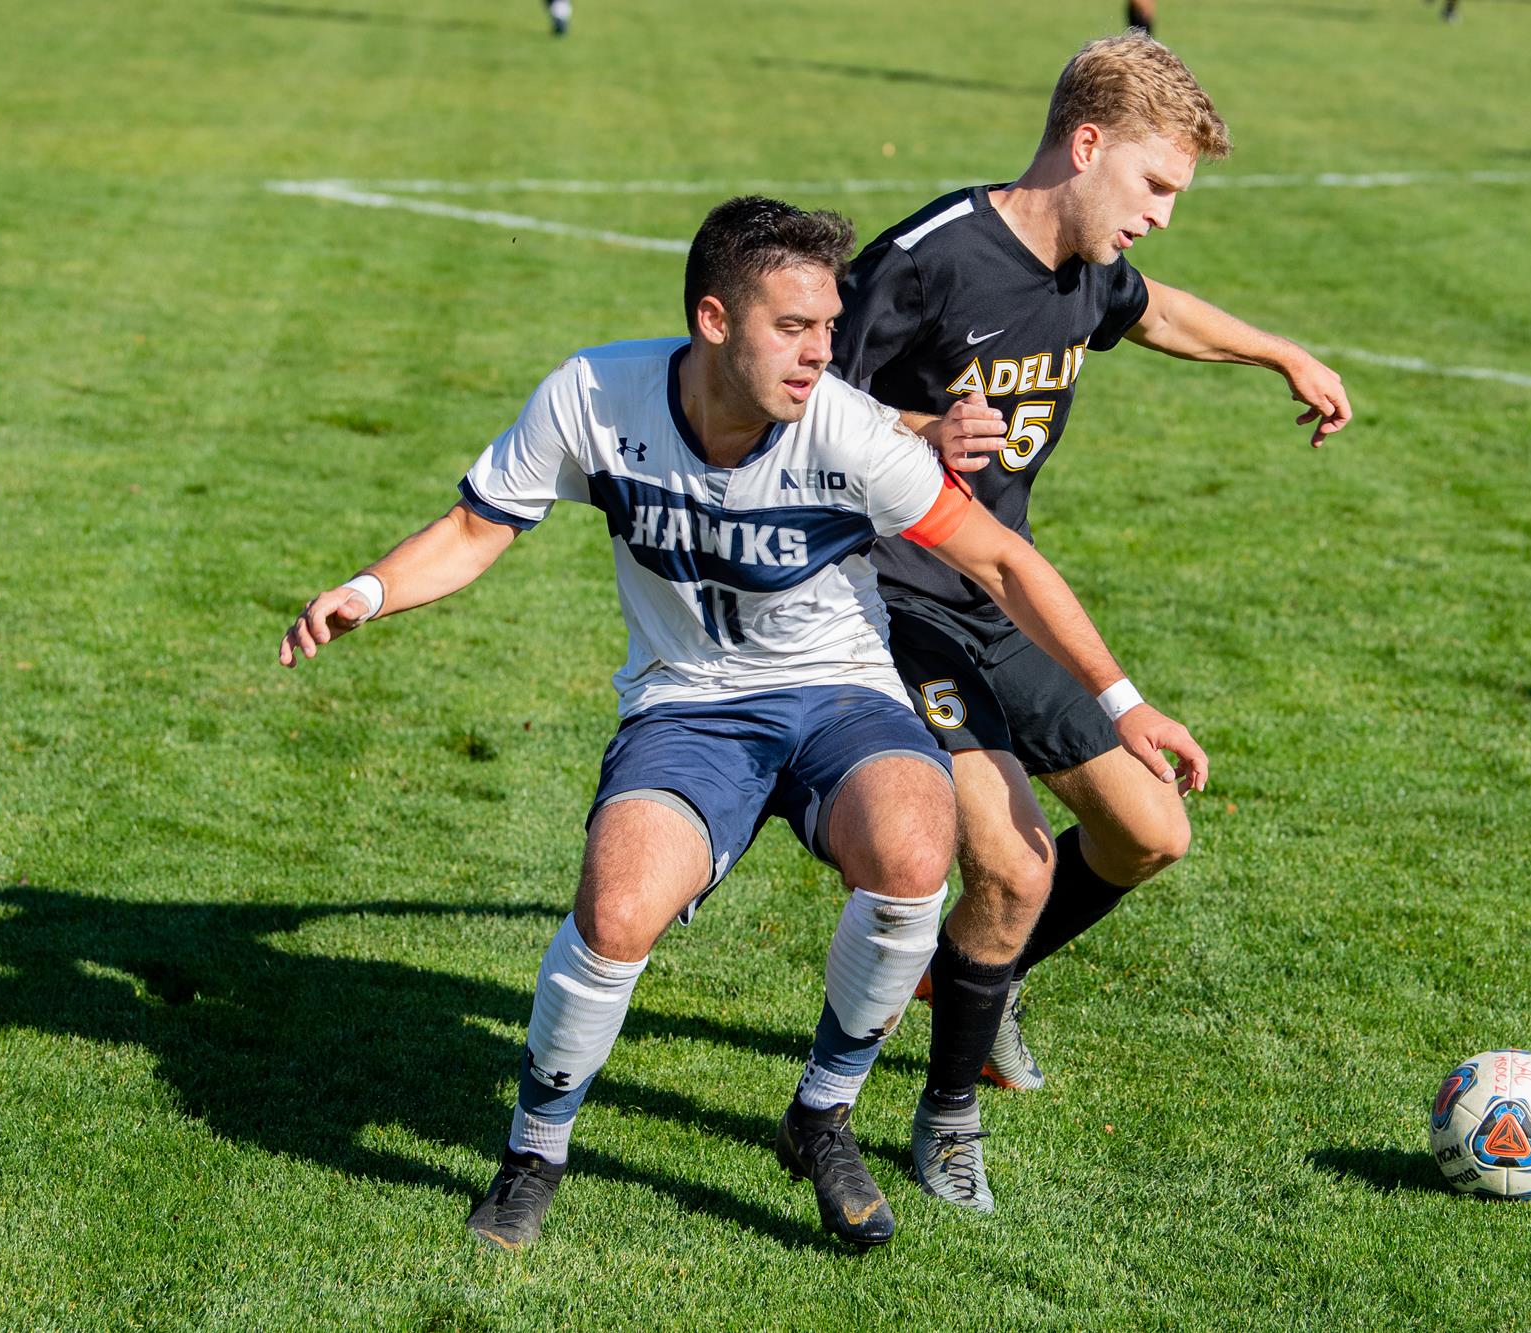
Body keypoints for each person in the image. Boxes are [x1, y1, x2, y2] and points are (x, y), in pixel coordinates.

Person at [277, 196, 1206, 1250]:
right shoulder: (594, 395)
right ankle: (535, 1148)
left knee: (912, 853)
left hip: (841, 694)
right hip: (689, 705)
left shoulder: (844, 428)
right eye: (792, 329)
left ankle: (821, 1114)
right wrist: (366, 589)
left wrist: (1123, 702)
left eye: (826, 326)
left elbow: (997, 558)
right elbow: (472, 527)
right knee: (616, 910)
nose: (821, 355)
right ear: (715, 321)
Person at [827, 30, 1351, 1213]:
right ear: (1086, 144)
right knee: (1008, 864)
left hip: (996, 592)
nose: (1163, 214)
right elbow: (787, 414)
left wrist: (1278, 353)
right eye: (1155, 186)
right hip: (880, 602)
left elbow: (1149, 309)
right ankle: (944, 1113)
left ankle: (983, 977)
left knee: (1147, 831)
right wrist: (912, 443)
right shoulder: (925, 261)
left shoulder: (1080, 266)